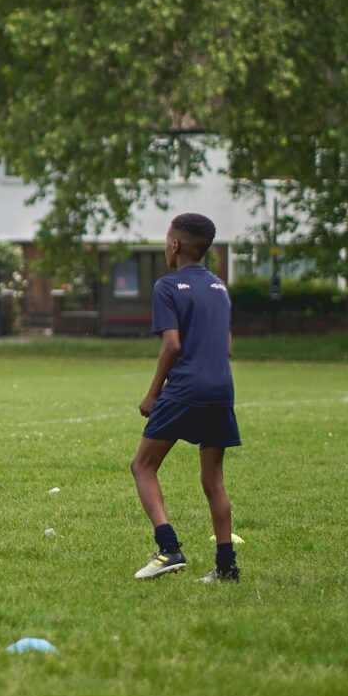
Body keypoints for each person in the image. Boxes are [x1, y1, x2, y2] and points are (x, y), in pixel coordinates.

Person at [130, 212, 240, 582]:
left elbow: (172, 345)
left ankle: (168, 548)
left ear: (175, 245)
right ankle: (226, 567)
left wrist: (153, 393)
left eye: (166, 238)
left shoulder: (167, 286)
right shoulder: (220, 288)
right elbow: (226, 345)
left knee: (143, 466)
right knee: (213, 479)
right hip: (221, 389)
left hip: (184, 388)